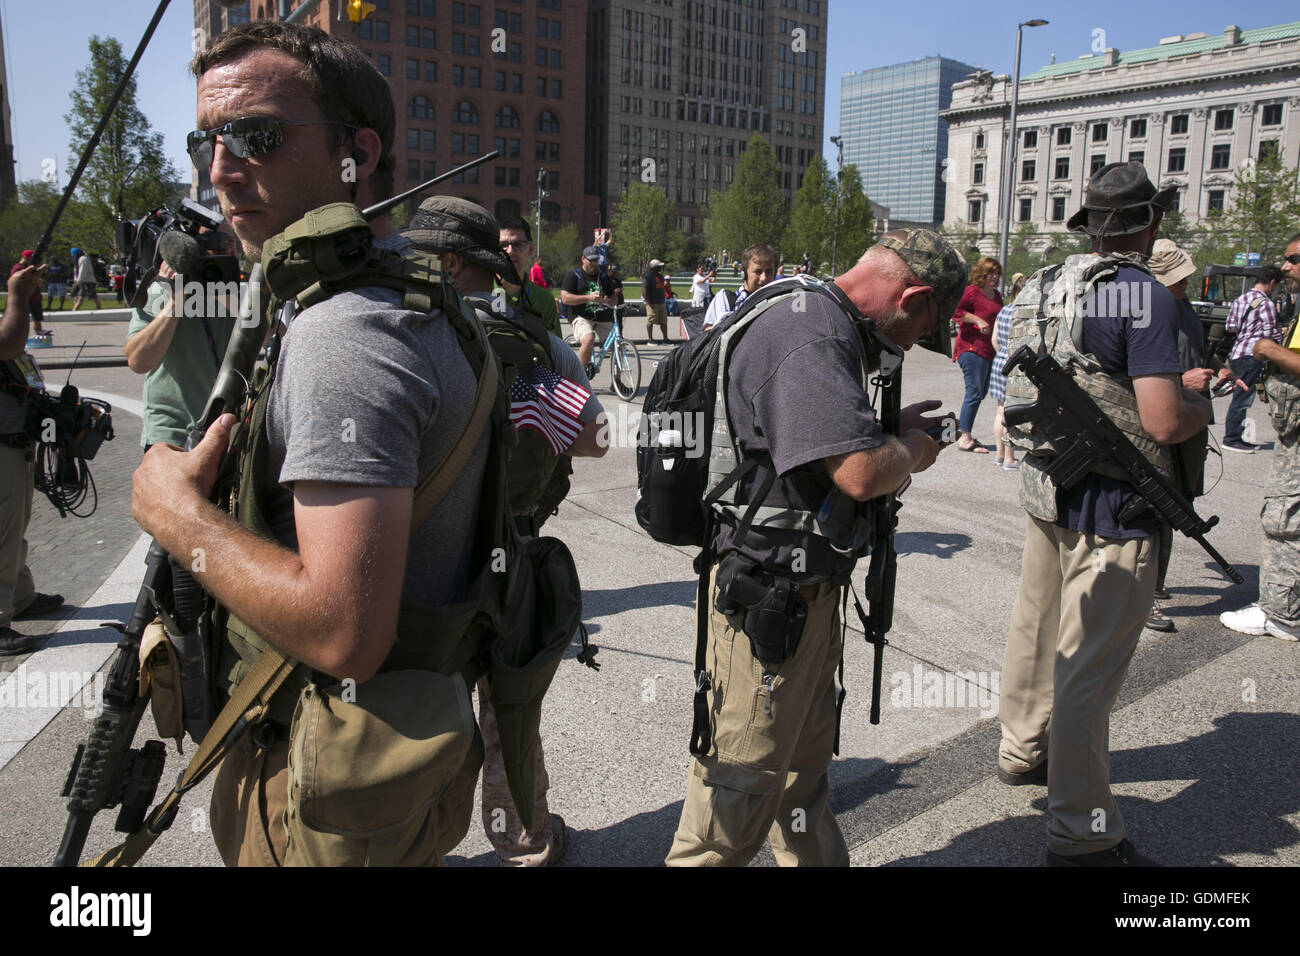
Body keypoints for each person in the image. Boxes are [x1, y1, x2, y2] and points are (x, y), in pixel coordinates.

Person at [130, 20, 488, 866]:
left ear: (353, 155)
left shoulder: (346, 333)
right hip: (391, 765)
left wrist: (175, 514)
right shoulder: (407, 291)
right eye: (206, 141)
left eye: (256, 135)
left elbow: (341, 629)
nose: (220, 169)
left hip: (322, 790)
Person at [665, 228, 966, 867]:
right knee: (734, 802)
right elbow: (859, 472)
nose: (916, 344)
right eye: (923, 328)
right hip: (766, 602)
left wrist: (894, 428)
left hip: (802, 597)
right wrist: (913, 450)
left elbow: (827, 442)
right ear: (910, 296)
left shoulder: (821, 318)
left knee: (802, 776)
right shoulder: (811, 333)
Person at [999, 161, 1212, 866]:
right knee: (1087, 671)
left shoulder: (1047, 282)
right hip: (1117, 504)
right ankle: (1081, 834)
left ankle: (1023, 748)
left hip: (1049, 491)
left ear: (1091, 226)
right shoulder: (1146, 299)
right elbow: (1161, 420)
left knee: (1035, 633)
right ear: (1152, 224)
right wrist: (1200, 402)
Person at [404, 196, 607, 866]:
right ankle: (525, 842)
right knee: (508, 718)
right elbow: (595, 438)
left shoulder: (399, 337)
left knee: (414, 723)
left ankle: (411, 847)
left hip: (421, 566)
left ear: (448, 263)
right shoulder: (538, 344)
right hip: (514, 557)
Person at [1144, 239, 1244, 631]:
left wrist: (1219, 368)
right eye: (1177, 279)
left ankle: (1155, 583)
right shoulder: (1143, 308)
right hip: (1160, 419)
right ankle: (1147, 595)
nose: (1184, 283)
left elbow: (1196, 350)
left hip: (1191, 419)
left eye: (1185, 276)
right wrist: (1179, 380)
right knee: (1158, 507)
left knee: (1180, 503)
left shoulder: (1181, 304)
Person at [1220, 233, 1300, 642]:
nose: (1285, 267)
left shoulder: (1255, 303)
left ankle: (1282, 614)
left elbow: (1240, 331)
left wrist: (1269, 351)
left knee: (1285, 517)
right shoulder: (1270, 304)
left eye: (1293, 259)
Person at [0, 262, 65, 656]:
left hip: (9, 434)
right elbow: (8, 343)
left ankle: (19, 595)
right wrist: (18, 297)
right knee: (3, 525)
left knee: (16, 519)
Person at [123, 242, 239, 452]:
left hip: (227, 427)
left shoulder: (237, 292)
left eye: (226, 248)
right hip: (171, 432)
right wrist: (175, 301)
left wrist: (229, 295)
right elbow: (138, 361)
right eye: (210, 249)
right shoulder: (160, 291)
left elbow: (276, 337)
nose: (218, 256)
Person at [1221, 266, 1284, 453]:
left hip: (1237, 353)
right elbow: (1270, 333)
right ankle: (1232, 438)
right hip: (1252, 354)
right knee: (1243, 398)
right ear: (1272, 282)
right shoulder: (1266, 303)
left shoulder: (1241, 298)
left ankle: (1235, 435)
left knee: (1239, 395)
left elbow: (1230, 326)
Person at [951, 257, 1003, 453]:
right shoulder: (971, 291)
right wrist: (977, 320)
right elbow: (955, 311)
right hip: (970, 348)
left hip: (989, 351)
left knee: (980, 393)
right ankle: (964, 438)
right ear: (981, 273)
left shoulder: (997, 295)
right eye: (991, 272)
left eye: (997, 272)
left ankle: (965, 433)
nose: (995, 276)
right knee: (974, 392)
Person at [497, 215, 560, 337]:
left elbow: (555, 353)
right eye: (503, 244)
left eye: (518, 244)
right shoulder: (479, 293)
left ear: (530, 249)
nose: (510, 251)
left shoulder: (545, 300)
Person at [988, 271, 1026, 470]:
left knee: (1000, 410)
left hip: (999, 361)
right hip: (1015, 365)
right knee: (1012, 412)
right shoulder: (1023, 314)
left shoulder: (1003, 311)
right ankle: (1010, 458)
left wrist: (1002, 355)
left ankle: (1000, 455)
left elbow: (994, 340)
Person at [562, 245, 619, 373]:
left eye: (596, 260)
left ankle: (618, 380)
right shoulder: (574, 275)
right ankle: (580, 378)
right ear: (583, 259)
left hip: (602, 317)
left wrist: (606, 300)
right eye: (591, 260)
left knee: (618, 344)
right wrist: (588, 298)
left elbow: (614, 299)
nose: (594, 264)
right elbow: (565, 298)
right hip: (580, 316)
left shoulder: (604, 277)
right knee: (589, 339)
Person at [702, 242, 777, 331]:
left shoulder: (779, 303)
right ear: (744, 273)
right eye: (758, 272)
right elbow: (708, 333)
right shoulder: (725, 299)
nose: (764, 278)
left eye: (768, 272)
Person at [8, 251, 46, 337]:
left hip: (35, 296)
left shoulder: (30, 267)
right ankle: (18, 336)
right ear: (25, 257)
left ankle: (39, 331)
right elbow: (17, 282)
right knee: (22, 319)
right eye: (30, 258)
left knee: (37, 316)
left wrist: (37, 281)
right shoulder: (17, 268)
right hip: (25, 297)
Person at [642, 258, 670, 342]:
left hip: (661, 301)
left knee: (664, 321)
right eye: (659, 266)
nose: (660, 268)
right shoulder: (648, 277)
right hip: (652, 302)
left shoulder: (660, 276)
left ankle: (665, 339)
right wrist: (649, 302)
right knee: (651, 320)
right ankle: (650, 339)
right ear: (654, 267)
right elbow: (644, 291)